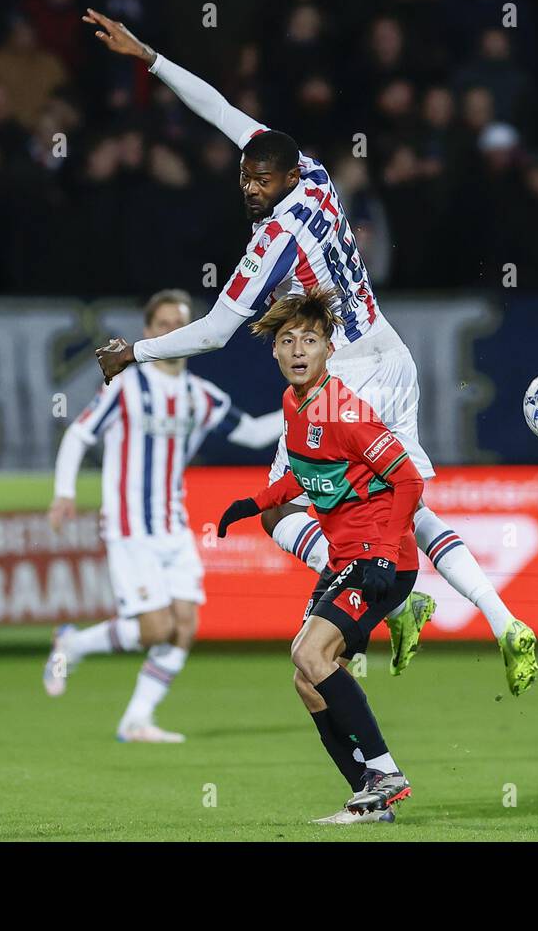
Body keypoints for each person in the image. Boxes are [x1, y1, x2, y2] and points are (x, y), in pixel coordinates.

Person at [83, 9, 538, 696]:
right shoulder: (316, 172)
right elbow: (222, 109)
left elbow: (211, 332)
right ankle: (500, 618)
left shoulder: (272, 244)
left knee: (278, 511)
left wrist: (136, 352)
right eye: (246, 178)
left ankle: (386, 599)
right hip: (390, 351)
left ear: (283, 179)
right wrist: (151, 57)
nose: (249, 188)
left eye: (260, 183)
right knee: (403, 510)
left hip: (347, 378)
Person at [217, 289, 422, 823]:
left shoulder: (345, 411)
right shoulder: (294, 404)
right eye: (288, 340)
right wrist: (254, 503)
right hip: (346, 557)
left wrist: (382, 553)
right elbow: (305, 474)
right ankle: (368, 797)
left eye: (310, 339)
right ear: (275, 353)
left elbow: (408, 479)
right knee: (307, 680)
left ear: (330, 349)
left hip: (382, 561)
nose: (298, 349)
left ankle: (386, 771)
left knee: (310, 656)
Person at [43, 289, 283, 742]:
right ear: (148, 333)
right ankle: (72, 644)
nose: (174, 330)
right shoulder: (127, 386)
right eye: (164, 324)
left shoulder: (200, 395)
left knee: (185, 626)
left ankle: (136, 719)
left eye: (182, 323)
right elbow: (78, 434)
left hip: (172, 525)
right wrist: (63, 493)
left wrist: (301, 405)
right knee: (155, 628)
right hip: (129, 525)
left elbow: (251, 433)